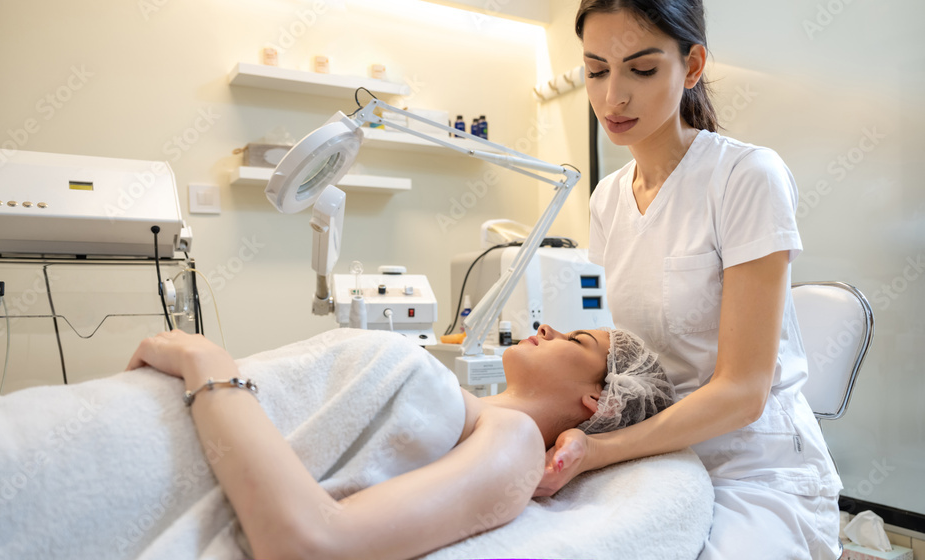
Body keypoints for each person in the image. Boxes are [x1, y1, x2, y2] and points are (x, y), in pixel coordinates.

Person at [535, 1, 844, 559]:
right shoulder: (608, 198)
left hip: (752, 466)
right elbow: (636, 346)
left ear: (692, 65)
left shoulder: (745, 176)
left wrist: (603, 451)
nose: (613, 98)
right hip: (657, 458)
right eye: (597, 70)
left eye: (643, 69)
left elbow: (742, 392)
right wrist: (566, 353)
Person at [125, 324, 675, 559]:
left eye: (577, 340)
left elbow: (313, 544)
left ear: (600, 400)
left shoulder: (514, 442)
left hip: (149, 459)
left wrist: (209, 368)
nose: (548, 328)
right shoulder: (471, 408)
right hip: (143, 421)